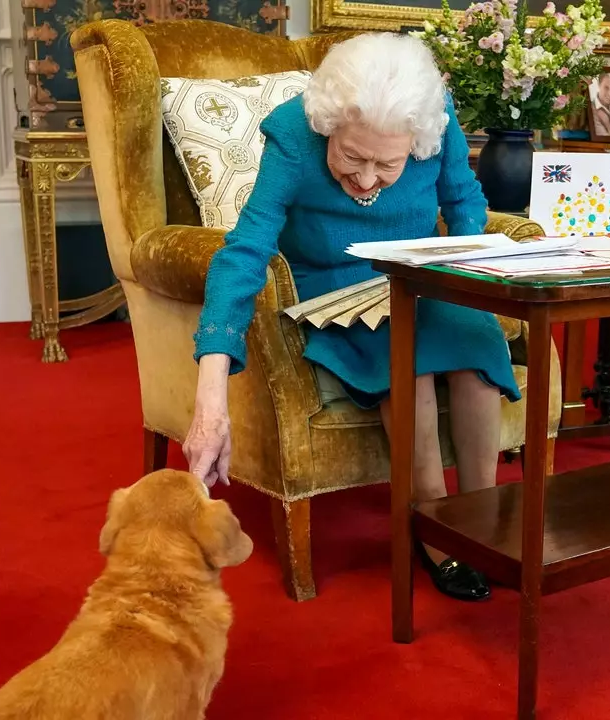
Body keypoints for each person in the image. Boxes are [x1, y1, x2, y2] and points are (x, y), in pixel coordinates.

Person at [184, 33, 519, 603]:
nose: (367, 181)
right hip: (332, 283)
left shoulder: (435, 121)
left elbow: (464, 206)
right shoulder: (293, 133)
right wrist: (211, 391)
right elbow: (245, 251)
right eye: (351, 157)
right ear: (328, 126)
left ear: (416, 139)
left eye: (387, 164)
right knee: (406, 366)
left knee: (476, 358)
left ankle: (479, 521)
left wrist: (472, 279)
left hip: (421, 275)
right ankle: (434, 527)